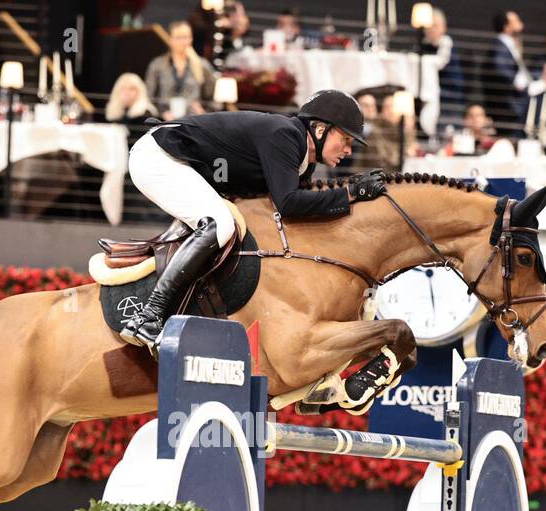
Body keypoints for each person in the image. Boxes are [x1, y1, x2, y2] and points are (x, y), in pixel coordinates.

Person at [118, 89, 385, 351]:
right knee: (219, 224)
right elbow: (289, 204)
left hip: (179, 161)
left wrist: (352, 195)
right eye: (346, 140)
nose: (349, 150)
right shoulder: (286, 135)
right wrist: (351, 192)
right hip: (160, 159)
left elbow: (302, 208)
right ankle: (148, 317)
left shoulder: (303, 159)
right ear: (319, 130)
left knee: (225, 224)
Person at [145, 21, 217, 120]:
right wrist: (161, 113)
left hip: (193, 120)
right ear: (170, 39)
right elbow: (149, 96)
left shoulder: (202, 65)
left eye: (186, 37)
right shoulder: (158, 65)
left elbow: (213, 95)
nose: (183, 42)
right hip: (164, 120)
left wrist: (204, 112)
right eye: (179, 38)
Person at [481, 11, 530, 137]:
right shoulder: (500, 47)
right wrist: (516, 82)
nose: (521, 25)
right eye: (516, 22)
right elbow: (499, 69)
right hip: (509, 108)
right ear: (507, 26)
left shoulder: (509, 45)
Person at [421, 9, 465, 124]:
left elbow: (439, 64)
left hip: (449, 100)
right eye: (428, 26)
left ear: (443, 27)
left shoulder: (446, 45)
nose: (431, 29)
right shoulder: (423, 46)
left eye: (435, 25)